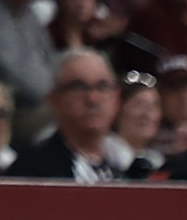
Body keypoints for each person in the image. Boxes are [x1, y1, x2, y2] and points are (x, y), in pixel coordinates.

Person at [8, 50, 127, 181]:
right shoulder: (29, 172)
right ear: (54, 99)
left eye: (102, 86)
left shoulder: (130, 165)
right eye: (79, 87)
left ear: (117, 98)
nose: (93, 99)